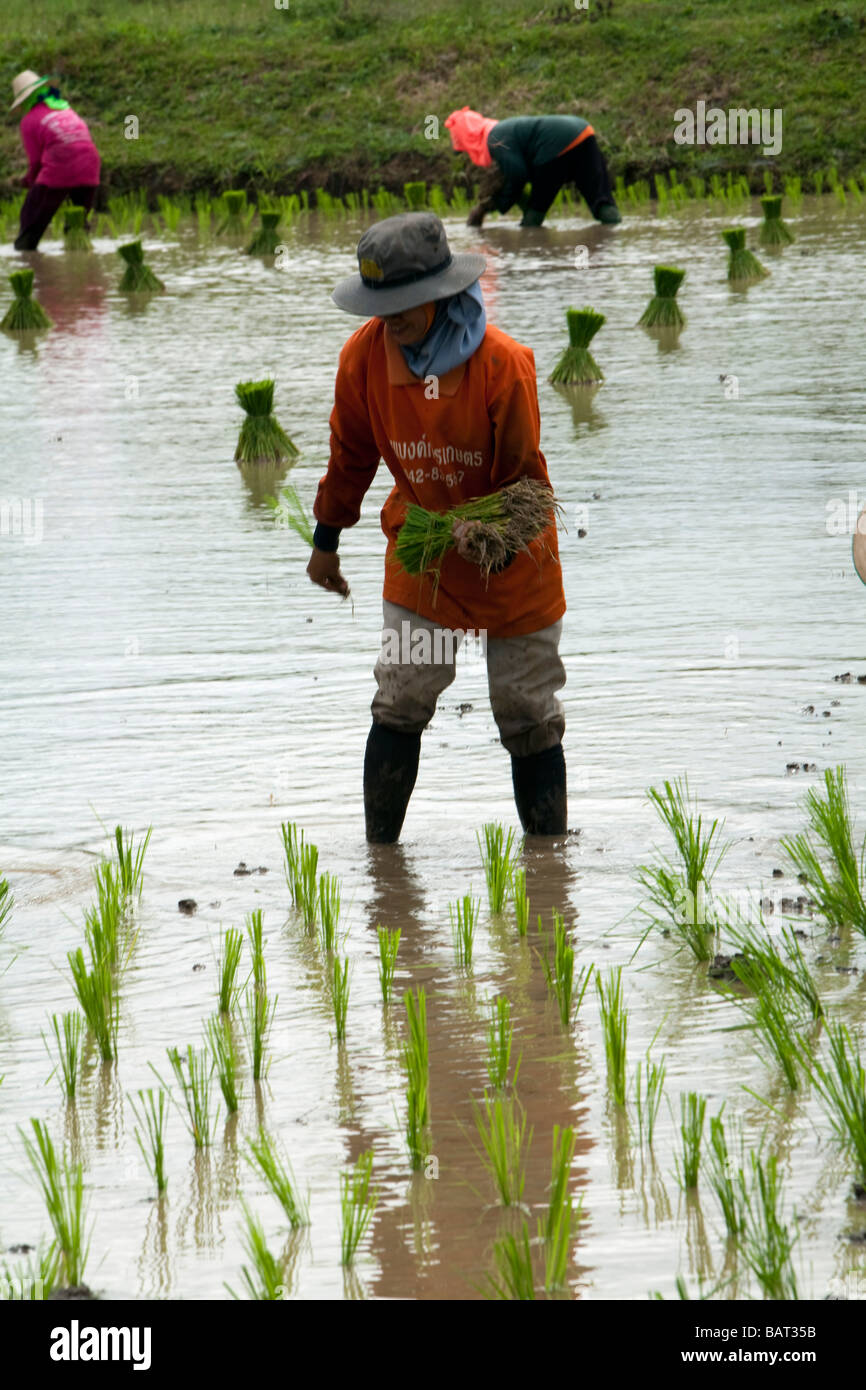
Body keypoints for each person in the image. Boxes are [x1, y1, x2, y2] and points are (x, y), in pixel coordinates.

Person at [308, 212, 568, 842]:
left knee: (526, 711)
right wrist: (326, 539)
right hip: (423, 550)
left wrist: (492, 540)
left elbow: (523, 481)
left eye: (405, 304)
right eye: (381, 305)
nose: (391, 318)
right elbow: (350, 456)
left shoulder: (503, 365)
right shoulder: (363, 358)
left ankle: (550, 870)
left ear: (441, 291)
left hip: (511, 553)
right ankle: (382, 865)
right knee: (399, 699)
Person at [445, 106, 621, 229]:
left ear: (468, 139)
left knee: (535, 215)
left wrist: (493, 205)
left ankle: (531, 237)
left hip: (554, 147)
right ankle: (615, 234)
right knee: (600, 199)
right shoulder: (504, 130)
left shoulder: (496, 138)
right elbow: (520, 177)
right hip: (583, 132)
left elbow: (518, 175)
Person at [9, 70, 101, 251]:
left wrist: (29, 181)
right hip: (90, 166)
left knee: (30, 220)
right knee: (77, 225)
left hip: (61, 166)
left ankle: (26, 261)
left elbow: (35, 162)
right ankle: (82, 266)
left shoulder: (29, 121)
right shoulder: (64, 108)